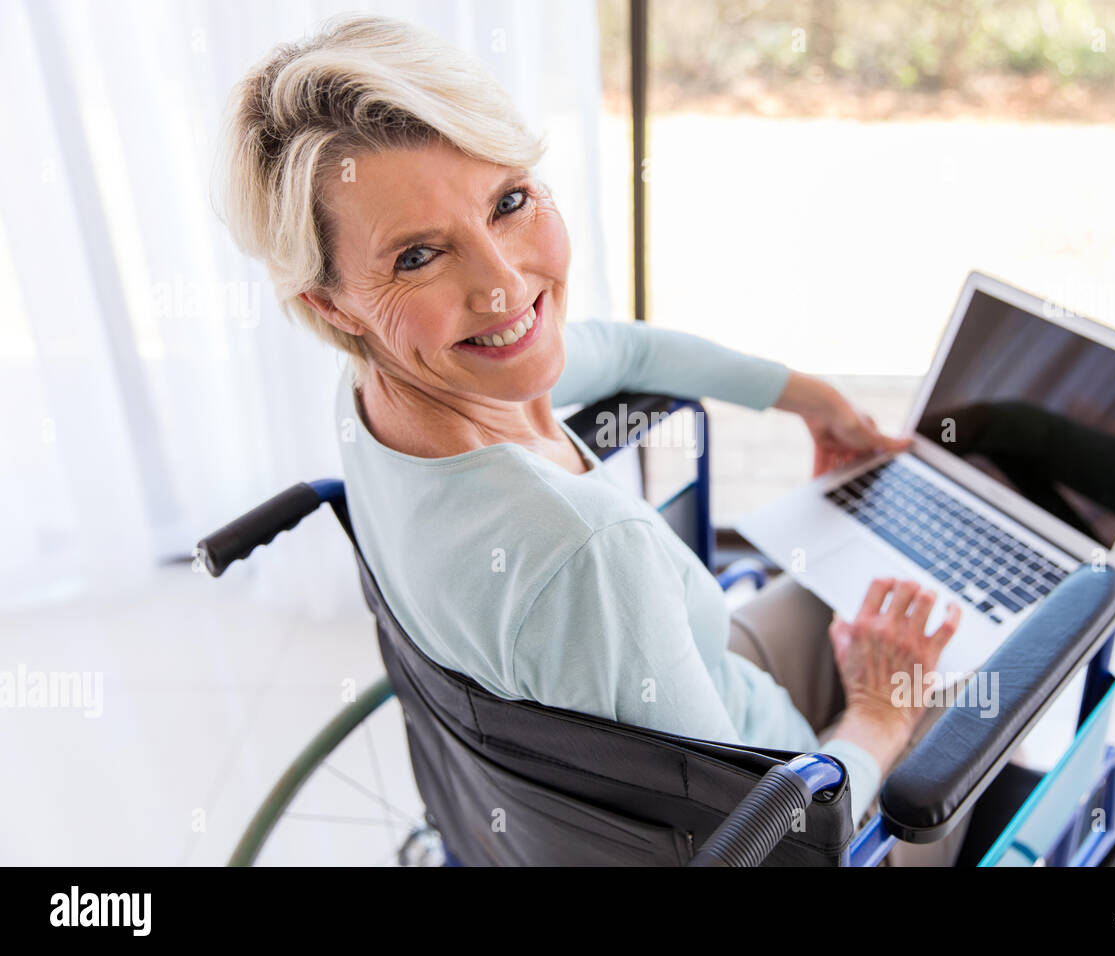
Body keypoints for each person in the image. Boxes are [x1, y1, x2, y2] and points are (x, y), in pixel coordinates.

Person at [217, 13, 965, 856]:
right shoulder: (586, 553)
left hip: (608, 761)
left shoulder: (383, 390)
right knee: (975, 676)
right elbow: (765, 839)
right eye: (418, 257)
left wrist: (807, 399)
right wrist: (877, 715)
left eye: (508, 202)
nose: (505, 289)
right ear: (330, 303)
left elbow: (627, 350)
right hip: (787, 799)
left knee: (857, 576)